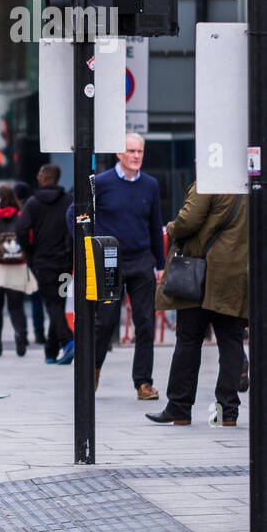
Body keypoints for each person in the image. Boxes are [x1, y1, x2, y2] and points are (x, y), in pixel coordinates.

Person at [70, 133, 165, 397]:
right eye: (131, 151)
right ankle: (93, 371)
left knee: (145, 322)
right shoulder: (101, 183)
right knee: (106, 322)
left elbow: (155, 225)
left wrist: (160, 264)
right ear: (118, 154)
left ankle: (143, 382)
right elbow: (74, 214)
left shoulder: (150, 185)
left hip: (142, 260)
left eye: (140, 151)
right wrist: (89, 245)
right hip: (110, 261)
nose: (136, 156)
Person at [147, 184, 247, 427]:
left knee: (189, 341)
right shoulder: (248, 183)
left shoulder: (210, 182)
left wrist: (170, 227)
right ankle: (228, 412)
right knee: (231, 341)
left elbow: (187, 222)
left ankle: (179, 409)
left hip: (201, 274)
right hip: (235, 274)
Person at [16, 164, 74, 365]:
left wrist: (30, 252)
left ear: (43, 178)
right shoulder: (69, 200)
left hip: (43, 261)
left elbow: (21, 230)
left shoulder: (33, 203)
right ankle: (50, 351)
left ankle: (68, 342)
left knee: (52, 305)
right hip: (65, 261)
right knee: (58, 303)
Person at [0, 184, 36, 356]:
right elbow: (30, 239)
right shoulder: (21, 217)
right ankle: (20, 334)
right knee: (16, 307)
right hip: (17, 267)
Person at [13, 181, 46, 345]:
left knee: (24, 299)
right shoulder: (37, 207)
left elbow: (23, 233)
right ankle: (39, 333)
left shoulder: (22, 212)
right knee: (38, 297)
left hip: (23, 260)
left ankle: (24, 333)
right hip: (38, 258)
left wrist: (28, 251)